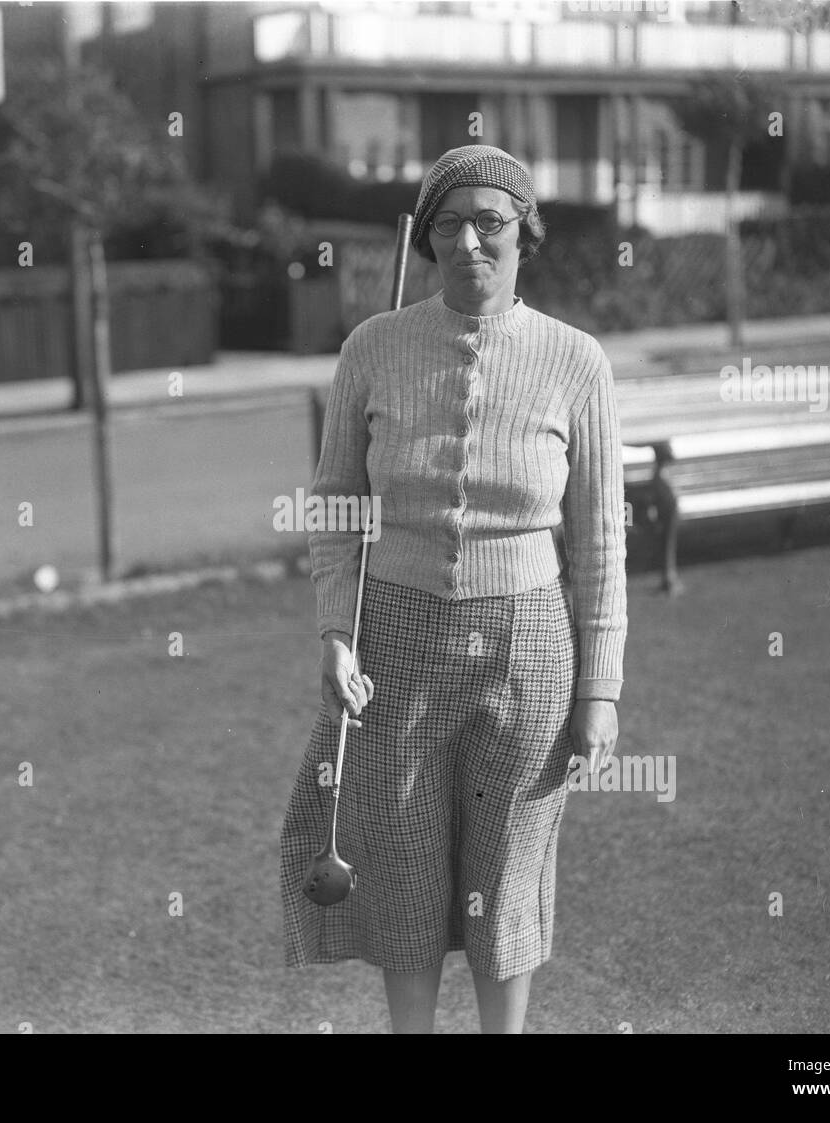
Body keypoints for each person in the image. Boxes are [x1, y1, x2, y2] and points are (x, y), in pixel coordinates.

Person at [278, 144, 627, 1034]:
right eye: (449, 224)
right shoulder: (372, 348)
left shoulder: (577, 362)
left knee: (507, 874)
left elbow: (597, 540)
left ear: (525, 234)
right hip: (390, 641)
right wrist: (334, 631)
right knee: (401, 872)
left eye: (491, 223)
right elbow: (336, 506)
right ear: (426, 239)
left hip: (530, 652)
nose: (470, 241)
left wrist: (602, 687)